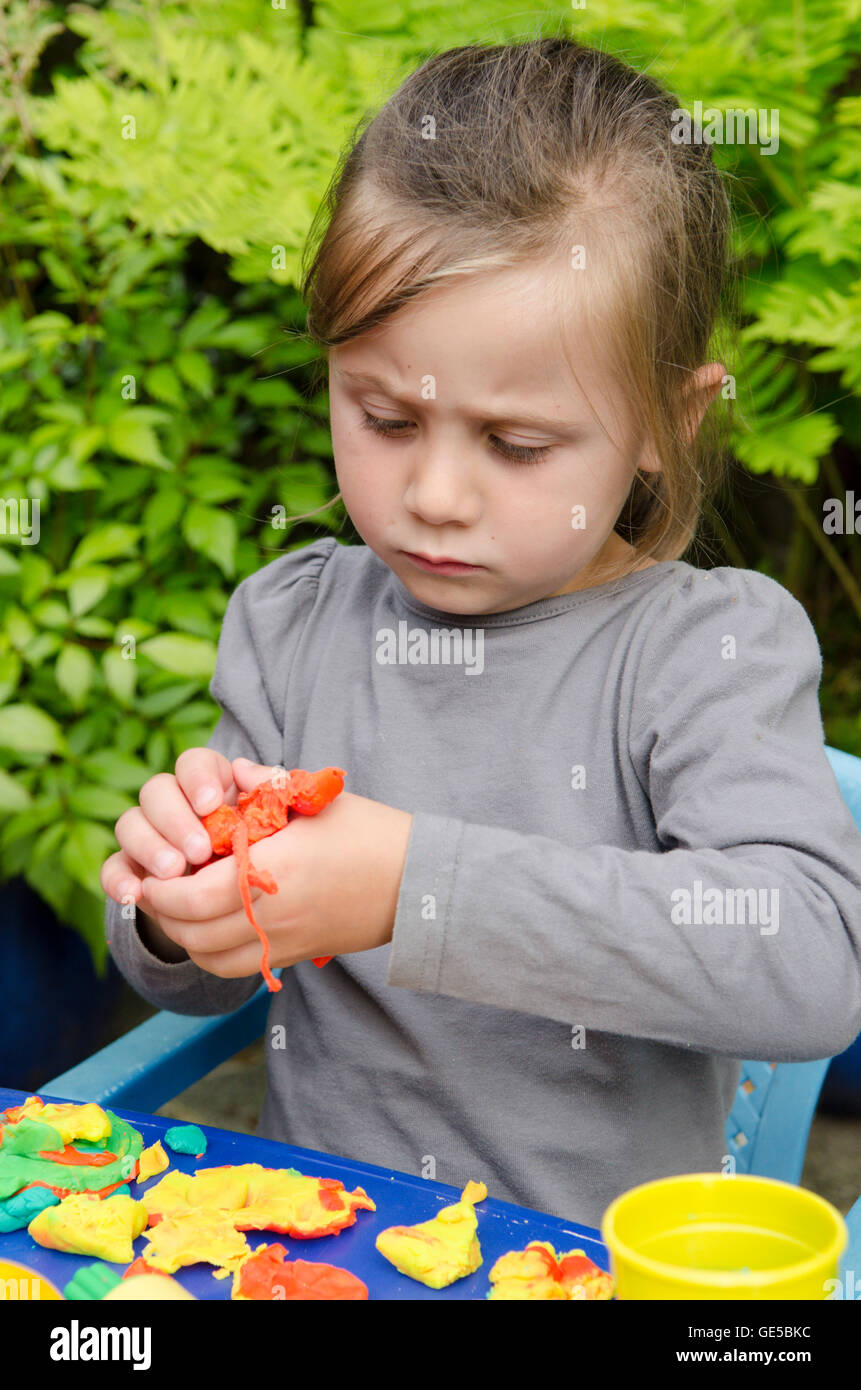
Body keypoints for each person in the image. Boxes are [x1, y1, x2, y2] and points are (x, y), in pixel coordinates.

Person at [100, 38, 861, 1227]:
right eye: (386, 415)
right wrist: (175, 907)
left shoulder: (701, 655)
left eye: (516, 445)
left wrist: (417, 888)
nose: (436, 494)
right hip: (320, 1250)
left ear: (670, 415)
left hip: (584, 1266)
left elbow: (810, 962)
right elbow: (205, 982)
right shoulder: (296, 624)